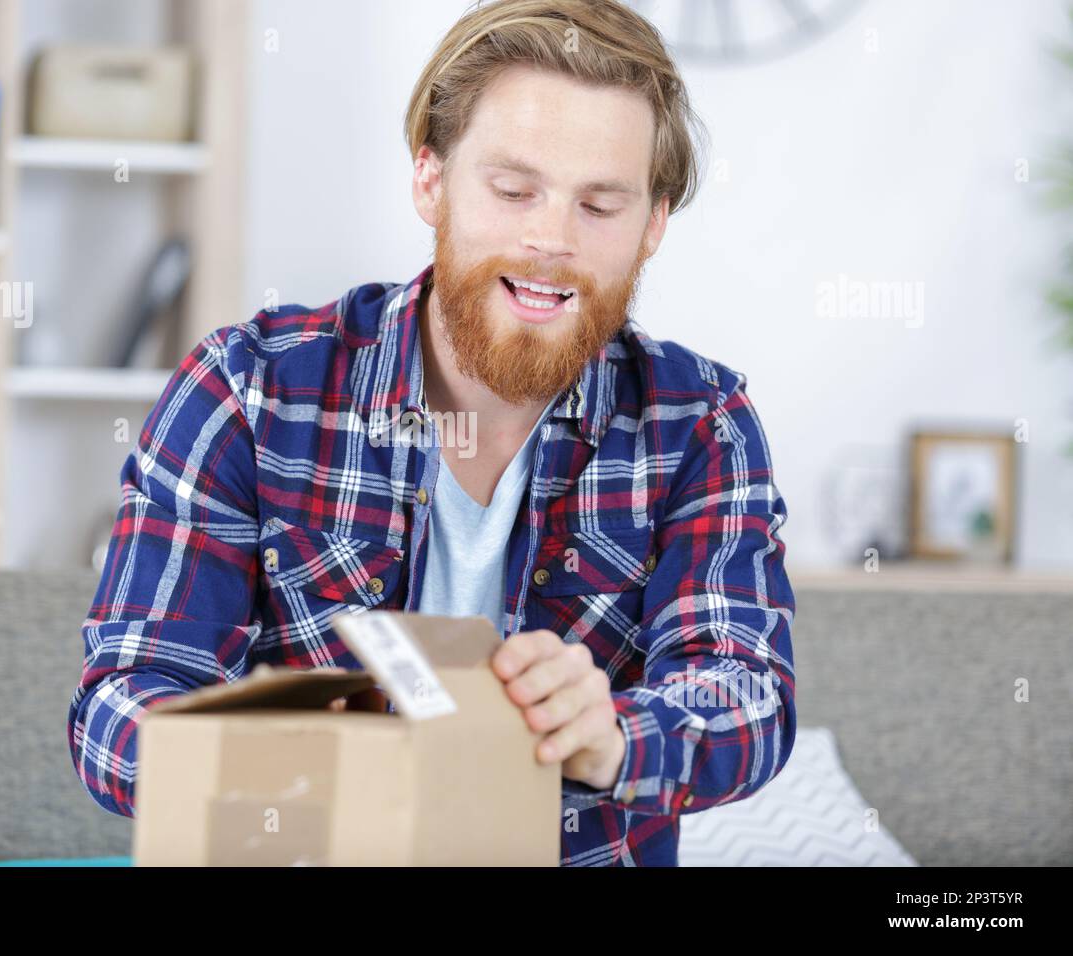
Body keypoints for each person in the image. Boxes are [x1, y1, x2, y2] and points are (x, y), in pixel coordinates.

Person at [67, 0, 796, 867]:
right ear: (430, 179)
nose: (550, 241)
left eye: (601, 205)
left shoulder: (700, 425)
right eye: (514, 190)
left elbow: (749, 697)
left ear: (653, 226)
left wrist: (613, 736)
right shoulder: (248, 391)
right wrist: (282, 754)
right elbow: (118, 708)